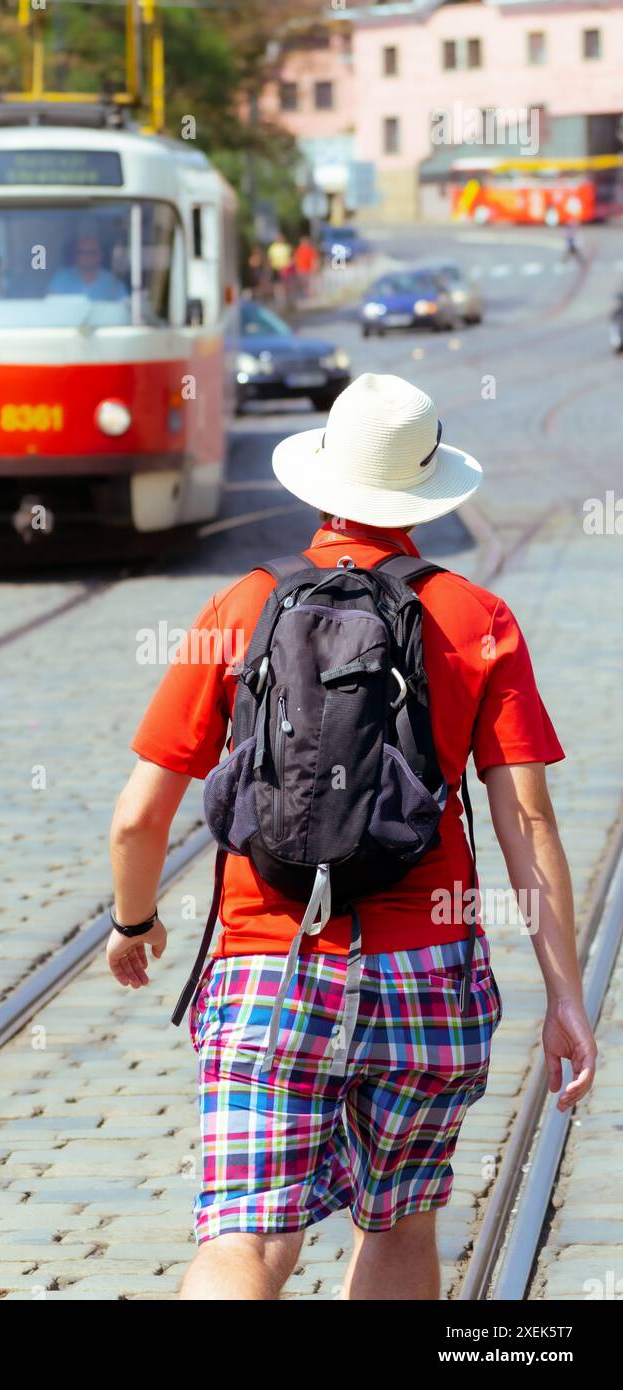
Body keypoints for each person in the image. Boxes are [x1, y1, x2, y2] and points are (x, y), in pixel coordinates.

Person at [107, 372, 597, 1301]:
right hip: (427, 979)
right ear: (424, 491)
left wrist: (135, 925)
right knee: (402, 1222)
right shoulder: (478, 619)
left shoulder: (240, 609)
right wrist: (566, 996)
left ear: (324, 479)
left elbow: (139, 818)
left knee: (242, 1239)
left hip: (266, 972)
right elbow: (526, 818)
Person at [47, 232, 127, 300]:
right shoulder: (61, 279)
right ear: (75, 255)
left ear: (100, 255)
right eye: (82, 252)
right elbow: (51, 309)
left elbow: (123, 311)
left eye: (92, 252)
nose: (87, 256)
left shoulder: (113, 282)